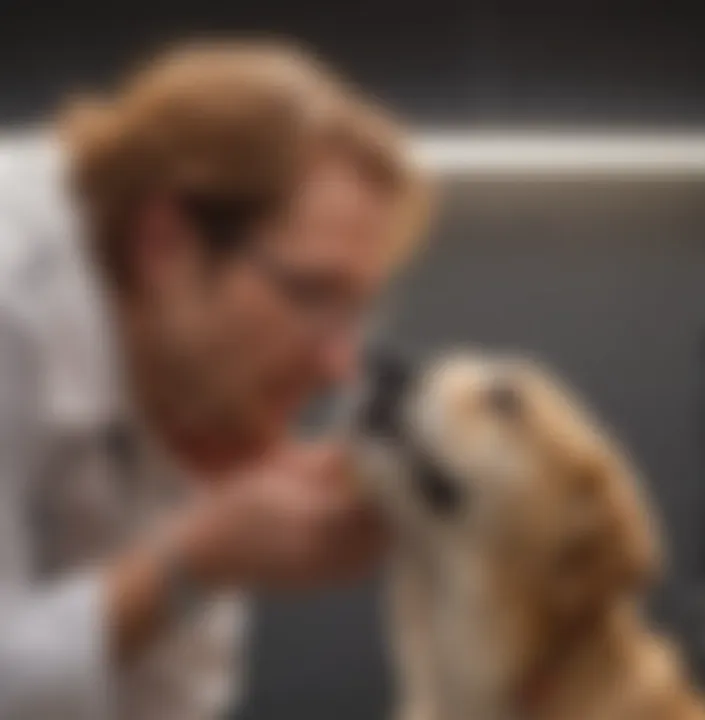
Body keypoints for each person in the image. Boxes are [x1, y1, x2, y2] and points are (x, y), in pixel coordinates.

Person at [0, 40, 427, 720]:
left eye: (357, 311)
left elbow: (164, 703)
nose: (340, 364)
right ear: (163, 243)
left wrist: (212, 544)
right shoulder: (11, 290)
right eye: (312, 294)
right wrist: (196, 558)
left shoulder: (189, 375)